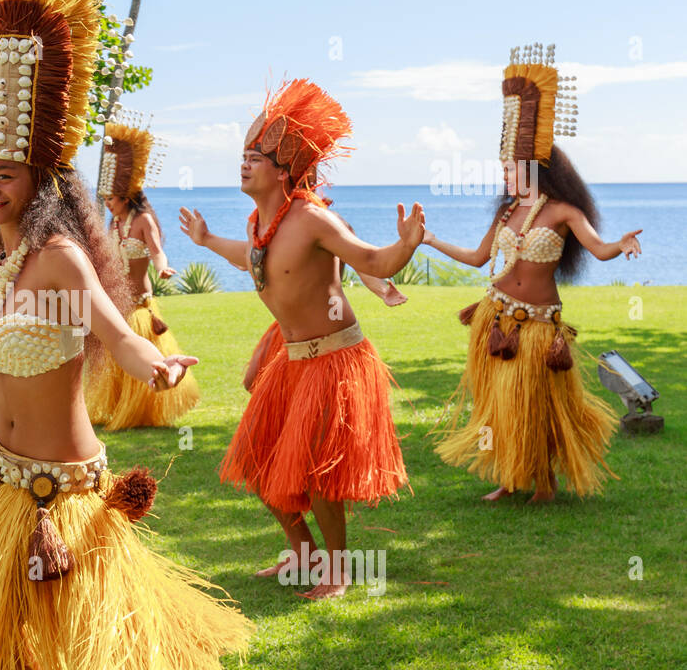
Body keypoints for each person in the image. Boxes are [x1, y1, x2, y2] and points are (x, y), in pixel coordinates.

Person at [0, 0, 252, 670]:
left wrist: (156, 365)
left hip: (58, 496)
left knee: (80, 647)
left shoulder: (61, 257)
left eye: (7, 176)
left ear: (41, 179)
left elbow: (113, 330)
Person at [181, 79, 421, 599]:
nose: (244, 163)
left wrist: (404, 248)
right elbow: (251, 258)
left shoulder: (313, 218)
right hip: (289, 356)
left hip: (333, 359)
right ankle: (303, 552)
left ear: (283, 170)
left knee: (315, 472)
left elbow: (372, 261)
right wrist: (204, 240)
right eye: (243, 155)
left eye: (255, 156)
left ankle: (337, 568)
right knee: (258, 459)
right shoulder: (256, 224)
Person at [423, 43, 638, 502]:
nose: (504, 176)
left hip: (540, 328)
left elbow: (597, 249)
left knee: (538, 403)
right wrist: (431, 240)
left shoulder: (562, 210)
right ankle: (510, 477)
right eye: (503, 168)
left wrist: (621, 245)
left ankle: (545, 482)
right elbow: (479, 259)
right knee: (501, 403)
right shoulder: (506, 213)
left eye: (510, 168)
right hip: (496, 319)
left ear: (533, 167)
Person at [84, 112, 199, 429]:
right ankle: (121, 409)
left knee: (140, 358)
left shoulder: (143, 221)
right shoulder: (114, 223)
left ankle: (139, 413)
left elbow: (158, 252)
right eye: (105, 199)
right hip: (117, 305)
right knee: (115, 361)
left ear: (128, 196)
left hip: (140, 307)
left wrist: (164, 269)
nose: (108, 204)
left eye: (112, 199)